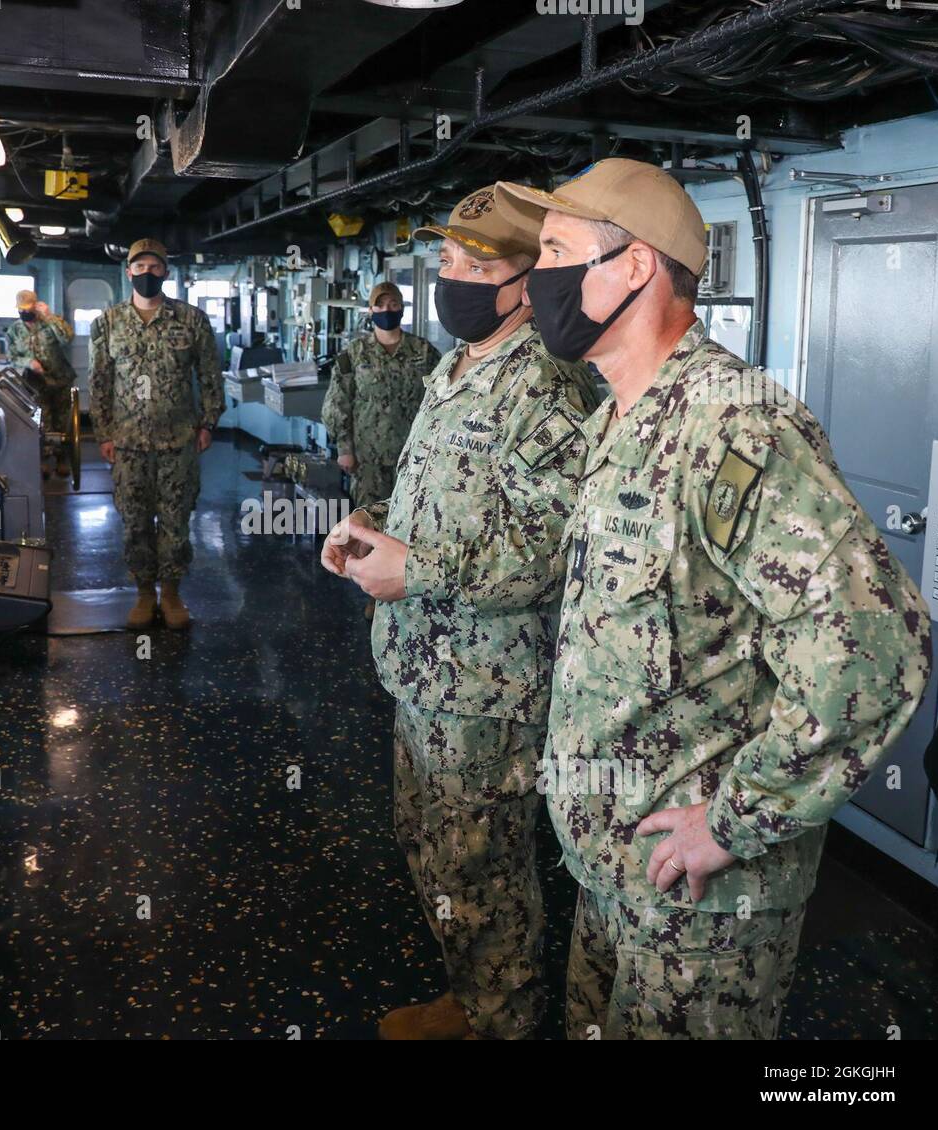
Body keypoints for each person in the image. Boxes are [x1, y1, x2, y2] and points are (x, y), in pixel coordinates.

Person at [497, 158, 932, 1039]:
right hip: (610, 864)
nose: (535, 280)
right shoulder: (617, 417)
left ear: (633, 266)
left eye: (554, 252)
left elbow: (876, 650)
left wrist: (734, 822)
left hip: (698, 900)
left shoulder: (733, 427)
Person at [321, 186, 599, 1039]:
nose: (454, 282)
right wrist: (375, 526)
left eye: (479, 269)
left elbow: (552, 549)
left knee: (482, 867)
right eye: (447, 263)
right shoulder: (456, 363)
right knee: (429, 845)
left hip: (485, 684)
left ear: (527, 285)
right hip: (422, 665)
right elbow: (451, 495)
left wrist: (421, 568)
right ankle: (469, 993)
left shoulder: (546, 386)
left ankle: (500, 1019)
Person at [89, 238, 223, 630]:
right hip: (128, 443)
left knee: (176, 520)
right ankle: (144, 594)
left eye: (154, 267)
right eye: (139, 267)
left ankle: (173, 593)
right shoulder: (108, 323)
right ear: (128, 271)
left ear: (166, 272)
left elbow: (210, 375)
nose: (147, 273)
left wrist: (208, 423)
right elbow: (100, 382)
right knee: (134, 523)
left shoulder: (191, 320)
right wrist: (104, 434)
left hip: (178, 440)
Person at [321, 281, 440, 618]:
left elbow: (440, 400)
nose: (387, 310)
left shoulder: (424, 352)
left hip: (414, 456)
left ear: (402, 308)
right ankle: (373, 594)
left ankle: (409, 587)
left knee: (413, 522)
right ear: (370, 310)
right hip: (368, 457)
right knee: (369, 525)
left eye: (394, 304)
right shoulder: (353, 355)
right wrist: (345, 447)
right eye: (380, 304)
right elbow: (337, 404)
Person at [5, 288, 76, 478]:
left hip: (59, 379)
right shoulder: (14, 330)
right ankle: (43, 460)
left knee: (62, 421)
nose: (24, 313)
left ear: (36, 307)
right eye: (21, 309)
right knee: (41, 422)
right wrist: (28, 362)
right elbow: (11, 356)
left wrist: (50, 316)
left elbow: (67, 338)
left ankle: (62, 459)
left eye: (28, 308)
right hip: (35, 384)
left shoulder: (50, 323)